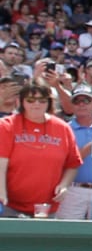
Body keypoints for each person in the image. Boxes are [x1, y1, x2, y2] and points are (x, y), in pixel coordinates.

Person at [0, 82, 80, 217]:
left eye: (42, 100)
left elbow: (73, 164)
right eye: (30, 100)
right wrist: (1, 193)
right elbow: (1, 164)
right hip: (10, 206)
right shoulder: (7, 125)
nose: (36, 104)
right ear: (21, 101)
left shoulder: (62, 128)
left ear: (49, 102)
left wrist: (64, 185)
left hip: (47, 207)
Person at [59, 88, 92, 219]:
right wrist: (86, 150)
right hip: (72, 189)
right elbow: (61, 162)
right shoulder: (63, 129)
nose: (81, 104)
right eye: (77, 101)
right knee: (68, 235)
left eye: (86, 100)